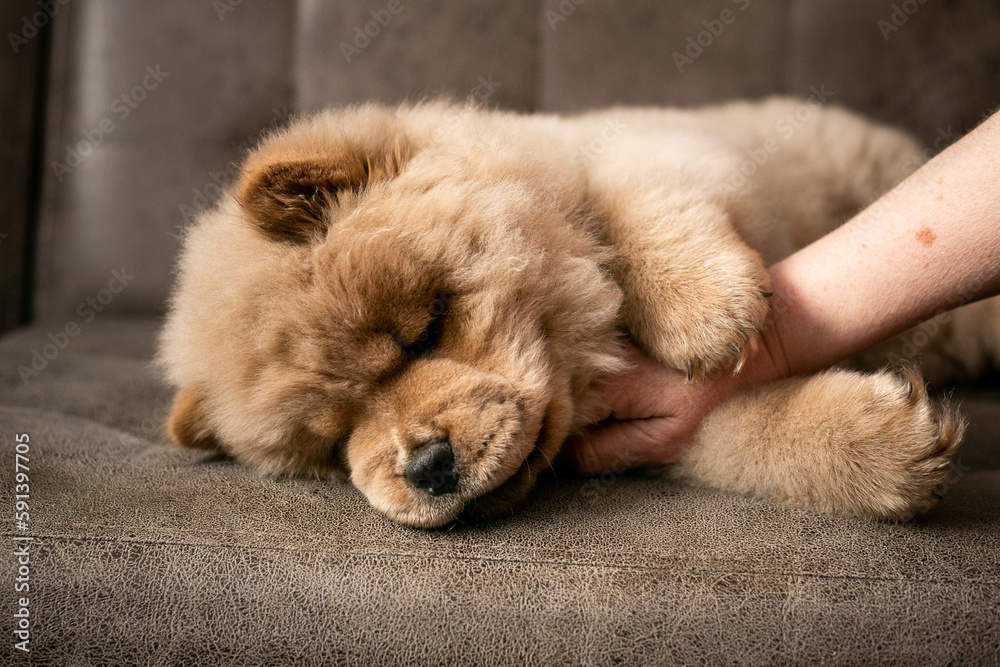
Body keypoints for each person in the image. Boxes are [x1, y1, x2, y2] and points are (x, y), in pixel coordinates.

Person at [565, 108, 1000, 476]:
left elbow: (646, 155)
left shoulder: (540, 172)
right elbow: (667, 416)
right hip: (882, 320)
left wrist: (655, 247)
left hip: (825, 163)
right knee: (962, 334)